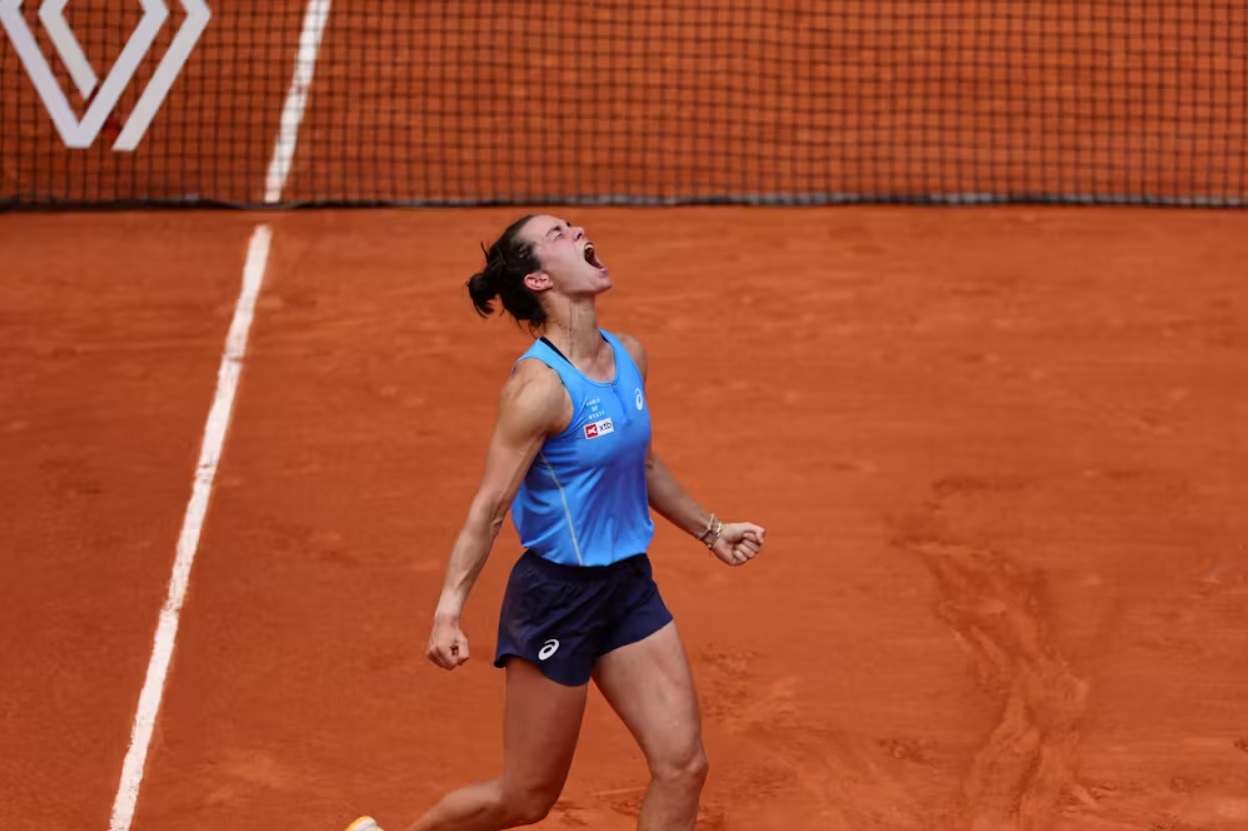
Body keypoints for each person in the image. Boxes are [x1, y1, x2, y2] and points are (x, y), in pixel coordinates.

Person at [346, 214, 766, 831]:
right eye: (558, 234)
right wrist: (448, 611)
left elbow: (641, 462)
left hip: (628, 588)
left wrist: (710, 528)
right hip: (556, 600)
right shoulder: (537, 389)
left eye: (572, 226)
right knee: (524, 799)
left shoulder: (629, 356)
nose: (577, 231)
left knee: (683, 765)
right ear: (539, 279)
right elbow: (489, 508)